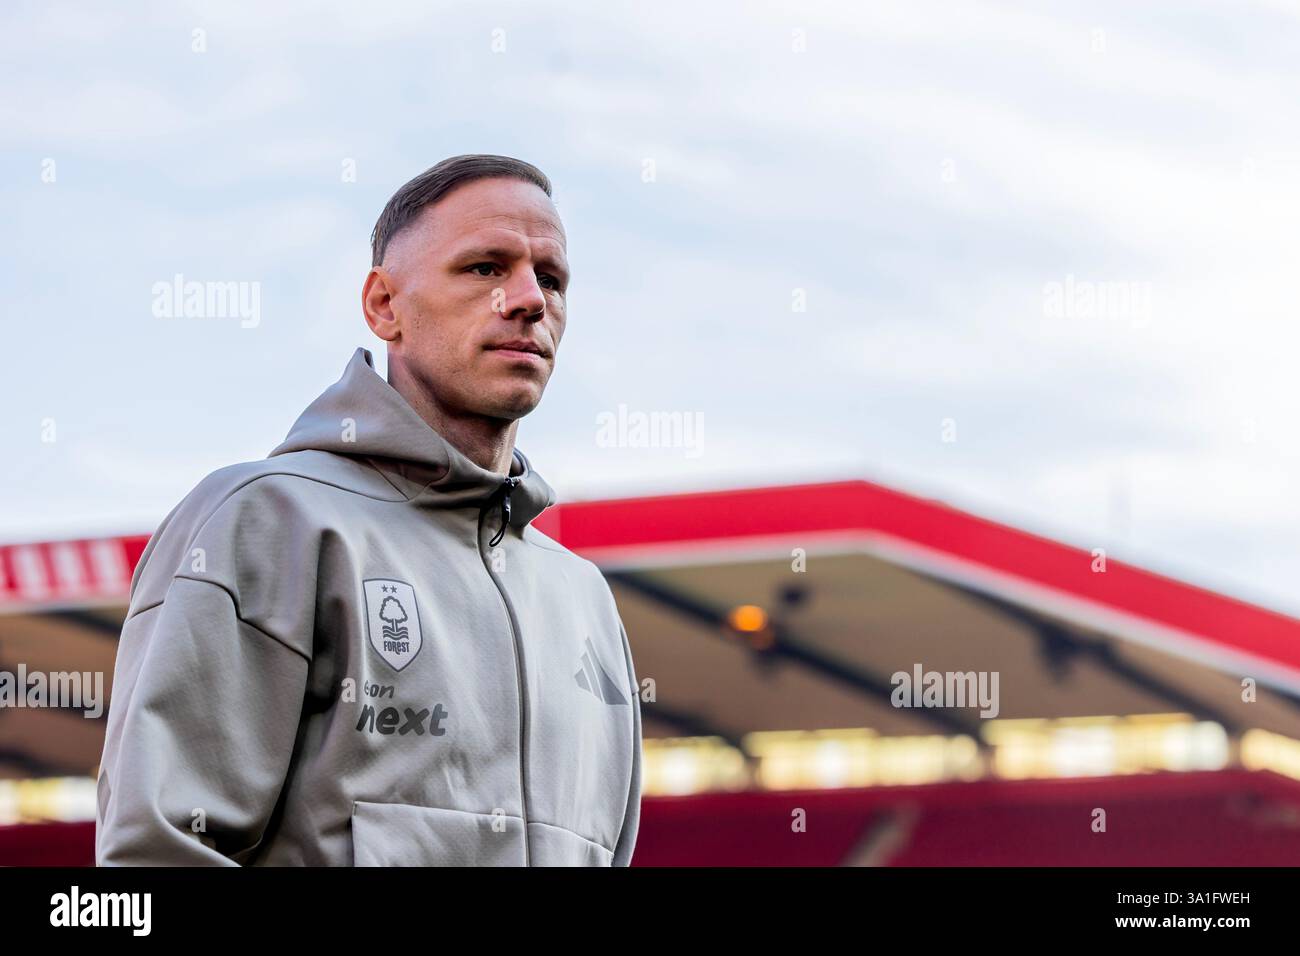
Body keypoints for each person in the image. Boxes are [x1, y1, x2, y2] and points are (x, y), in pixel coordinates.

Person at [95, 154, 642, 866]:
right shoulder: (265, 523)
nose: (529, 298)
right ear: (385, 306)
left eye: (551, 277)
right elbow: (158, 858)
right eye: (484, 267)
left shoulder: (585, 602)